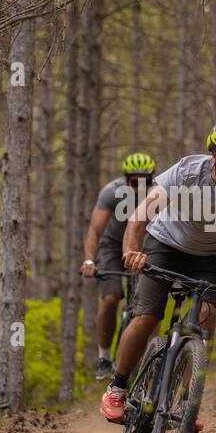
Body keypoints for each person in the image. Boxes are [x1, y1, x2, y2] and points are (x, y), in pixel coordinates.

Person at [100, 118, 216, 426]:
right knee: (147, 316)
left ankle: (186, 401)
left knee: (205, 318)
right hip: (166, 244)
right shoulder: (187, 172)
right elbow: (141, 214)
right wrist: (131, 251)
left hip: (213, 258)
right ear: (215, 155)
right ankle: (117, 386)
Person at [81, 152, 157, 379]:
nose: (139, 186)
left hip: (146, 247)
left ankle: (150, 359)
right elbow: (95, 231)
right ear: (125, 180)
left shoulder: (160, 191)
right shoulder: (111, 192)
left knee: (151, 305)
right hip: (113, 246)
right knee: (111, 297)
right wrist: (89, 260)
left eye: (145, 181)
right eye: (134, 181)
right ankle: (104, 357)